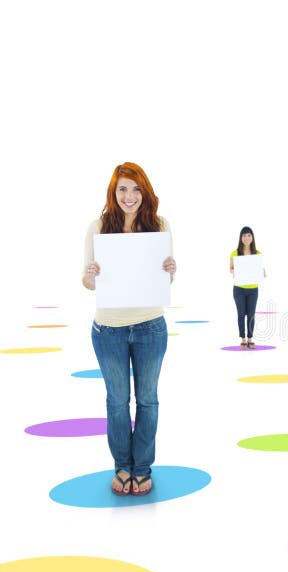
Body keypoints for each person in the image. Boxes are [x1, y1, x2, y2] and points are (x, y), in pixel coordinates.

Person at [82, 162, 177, 496]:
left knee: (148, 401)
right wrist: (91, 276)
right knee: (117, 402)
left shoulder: (159, 225)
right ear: (114, 191)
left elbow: (167, 277)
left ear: (145, 192)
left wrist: (171, 268)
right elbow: (86, 281)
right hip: (109, 329)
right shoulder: (98, 228)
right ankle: (122, 466)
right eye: (123, 188)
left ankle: (142, 467)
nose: (129, 196)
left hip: (151, 326)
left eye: (136, 189)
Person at [230, 226, 265, 349]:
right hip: (239, 288)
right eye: (244, 235)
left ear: (252, 237)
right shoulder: (235, 253)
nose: (246, 238)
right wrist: (234, 270)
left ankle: (250, 338)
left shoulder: (258, 254)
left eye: (249, 235)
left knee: (251, 314)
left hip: (253, 289)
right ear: (241, 238)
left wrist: (263, 273)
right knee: (241, 314)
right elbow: (231, 269)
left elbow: (262, 270)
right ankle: (243, 338)